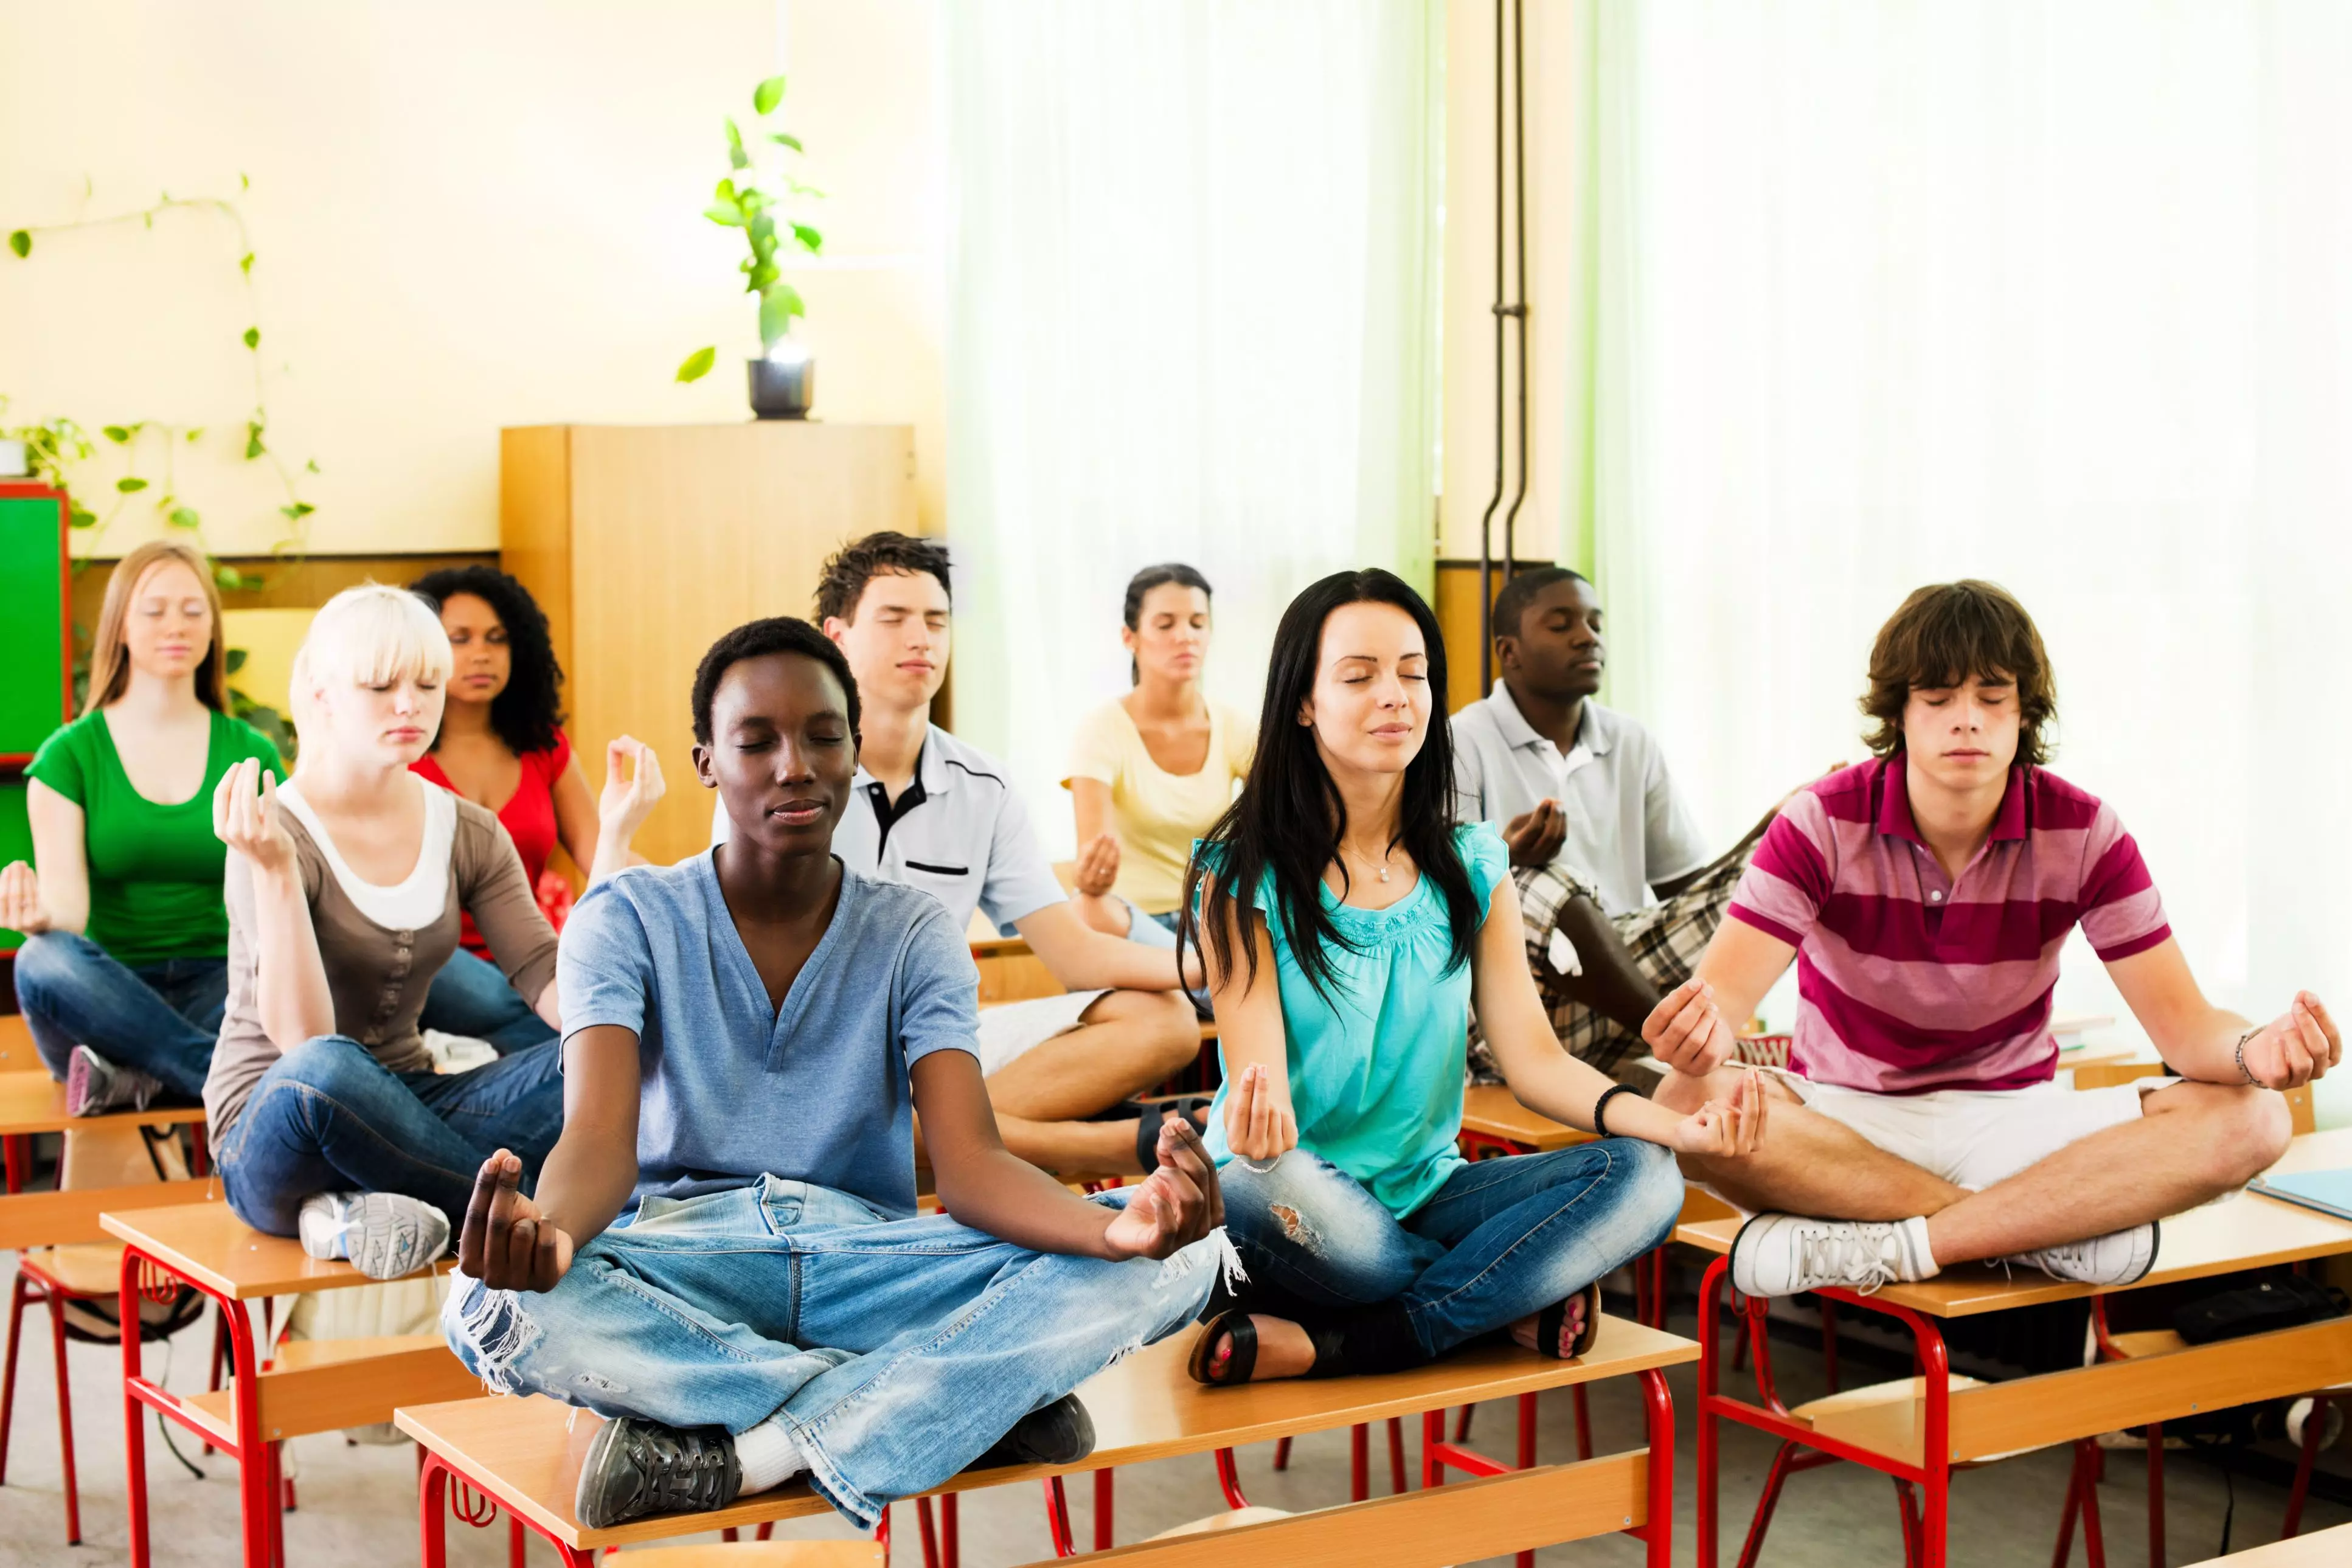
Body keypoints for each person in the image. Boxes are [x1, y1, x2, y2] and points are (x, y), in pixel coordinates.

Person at [442, 616, 1230, 1532]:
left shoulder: (911, 931)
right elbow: (597, 1142)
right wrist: (552, 1230)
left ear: (856, 751)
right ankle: (951, 1398)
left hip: (875, 1260)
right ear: (705, 761)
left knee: (1192, 1256)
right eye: (756, 740)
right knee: (481, 1303)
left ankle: (757, 1452)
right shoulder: (626, 917)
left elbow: (969, 1166)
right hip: (691, 1261)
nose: (794, 764)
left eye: (824, 735)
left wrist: (1118, 1235)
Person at [1645, 580, 2329, 1297]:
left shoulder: (2085, 830)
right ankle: (2035, 1231)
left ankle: (1901, 1243)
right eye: (1938, 699)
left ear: (2025, 709)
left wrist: (2258, 1051)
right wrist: (1697, 1035)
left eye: (1993, 697)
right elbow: (1719, 1005)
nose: (1966, 721)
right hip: (1846, 1119)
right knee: (1683, 1098)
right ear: (1899, 712)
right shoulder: (1820, 822)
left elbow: (2188, 1031)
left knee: (2254, 1119)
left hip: (2016, 1122)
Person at [1182, 569, 1760, 1386]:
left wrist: (1674, 1129)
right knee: (1273, 1193)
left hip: (1425, 1191)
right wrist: (1257, 1121)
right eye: (1358, 675)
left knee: (1642, 1175)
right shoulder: (1242, 872)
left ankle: (1358, 1339)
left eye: (1413, 673)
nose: (1394, 695)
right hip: (1298, 1198)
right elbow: (1259, 1089)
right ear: (1303, 702)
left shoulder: (1470, 862)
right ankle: (1497, 1290)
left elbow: (1534, 1062)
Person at [712, 533, 1206, 1174]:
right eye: (894, 619)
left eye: (936, 620)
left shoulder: (986, 785)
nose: (922, 638)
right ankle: (1104, 1146)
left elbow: (1073, 954)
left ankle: (918, 1142)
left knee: (1166, 1021)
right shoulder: (777, 776)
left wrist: (1207, 968)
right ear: (837, 635)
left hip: (939, 1044)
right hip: (814, 1052)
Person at [205, 585, 660, 1280]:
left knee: (610, 1044)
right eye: (381, 685)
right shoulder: (274, 829)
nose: (409, 704)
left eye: (426, 683)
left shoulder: (467, 829)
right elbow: (303, 1041)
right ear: (323, 695)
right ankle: (529, 1227)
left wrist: (624, 1041)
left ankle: (369, 1207)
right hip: (275, 1125)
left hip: (414, 1099)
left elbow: (546, 972)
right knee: (328, 1067)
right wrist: (271, 869)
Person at [1451, 566, 1777, 1083]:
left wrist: (1772, 828)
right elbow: (1437, 904)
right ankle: (1681, 1044)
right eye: (1561, 625)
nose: (1588, 637)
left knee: (1793, 843)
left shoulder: (1631, 741)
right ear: (1508, 652)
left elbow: (1690, 895)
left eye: (1595, 623)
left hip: (1625, 986)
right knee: (1530, 881)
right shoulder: (1460, 742)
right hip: (1514, 1013)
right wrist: (1505, 858)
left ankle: (1686, 1039)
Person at [3, 541, 285, 1115]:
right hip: (105, 999)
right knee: (40, 959)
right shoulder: (71, 756)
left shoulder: (252, 751)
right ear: (121, 627)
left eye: (193, 609)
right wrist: (38, 918)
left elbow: (277, 898)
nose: (175, 626)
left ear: (212, 625)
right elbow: (70, 918)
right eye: (154, 610)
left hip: (218, 988)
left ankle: (141, 1077)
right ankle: (230, 1078)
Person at [409, 565, 660, 1054]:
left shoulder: (544, 748)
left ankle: (561, 1039)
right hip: (439, 964)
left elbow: (603, 852)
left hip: (531, 958)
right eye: (458, 639)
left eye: (497, 638)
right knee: (581, 1017)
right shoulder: (402, 751)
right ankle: (568, 1039)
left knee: (621, 986)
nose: (481, 653)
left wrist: (693, 896)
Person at [1063, 563, 1255, 961]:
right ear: (1130, 638)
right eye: (1165, 625)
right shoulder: (1101, 729)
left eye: (1197, 623)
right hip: (1133, 924)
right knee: (1089, 908)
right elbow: (1092, 862)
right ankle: (1202, 980)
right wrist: (1089, 878)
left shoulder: (1234, 727)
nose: (1184, 637)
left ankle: (1198, 979)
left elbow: (1284, 825)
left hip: (1213, 919)